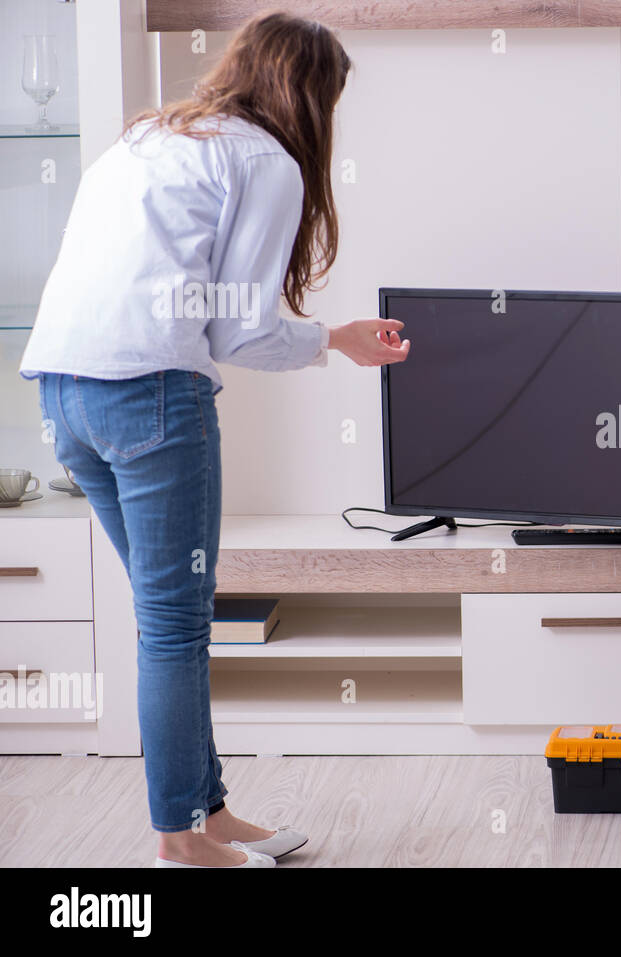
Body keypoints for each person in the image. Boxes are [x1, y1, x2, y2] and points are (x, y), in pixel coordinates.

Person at [18, 12, 409, 866]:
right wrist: (335, 339)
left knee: (170, 619)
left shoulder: (150, 137)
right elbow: (237, 333)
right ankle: (179, 839)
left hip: (61, 393)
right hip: (152, 392)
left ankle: (210, 810)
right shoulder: (264, 158)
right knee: (174, 625)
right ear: (309, 95)